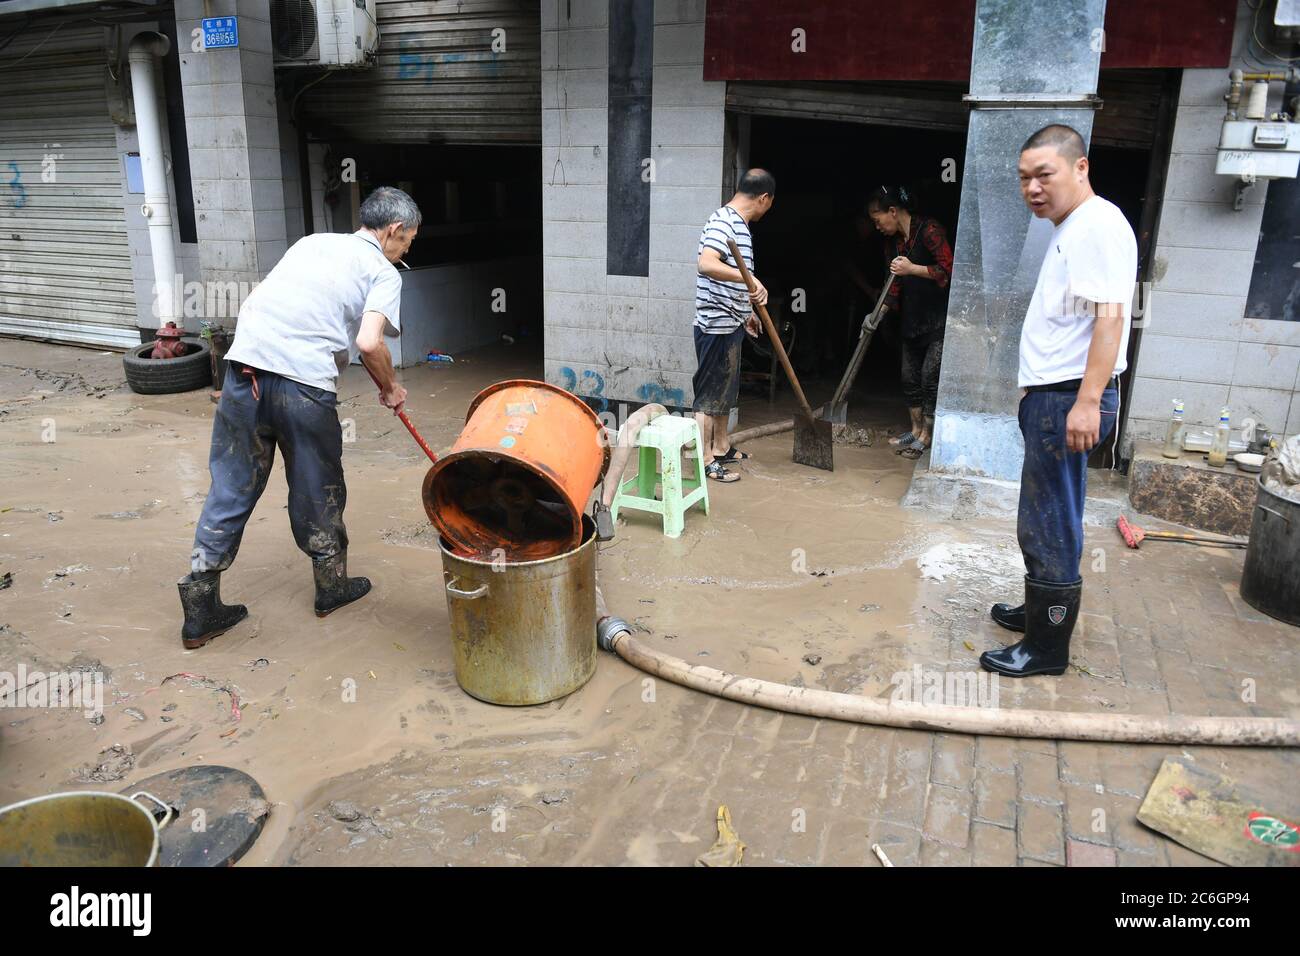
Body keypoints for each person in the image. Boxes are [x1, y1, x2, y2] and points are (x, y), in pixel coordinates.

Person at [177, 186, 419, 649]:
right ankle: (331, 588)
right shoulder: (382, 272)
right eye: (408, 242)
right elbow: (370, 343)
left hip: (242, 374)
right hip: (302, 386)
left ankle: (200, 607)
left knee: (230, 485)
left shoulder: (311, 243)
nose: (406, 251)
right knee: (316, 484)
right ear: (393, 231)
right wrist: (390, 388)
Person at [980, 125, 1136, 678]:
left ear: (1080, 167)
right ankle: (1039, 614)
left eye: (1044, 174)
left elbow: (1111, 319)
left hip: (1070, 398)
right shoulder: (1072, 227)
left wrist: (1088, 400)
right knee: (1047, 513)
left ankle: (1046, 649)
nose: (1032, 188)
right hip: (1056, 396)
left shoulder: (1096, 226)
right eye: (1024, 178)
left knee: (1048, 520)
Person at [692, 168, 774, 482]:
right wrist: (749, 279)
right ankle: (705, 458)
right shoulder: (723, 221)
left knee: (725, 392)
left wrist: (746, 311)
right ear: (764, 198)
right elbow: (707, 263)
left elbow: (729, 274)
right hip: (714, 326)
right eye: (771, 204)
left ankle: (723, 446)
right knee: (709, 396)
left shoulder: (738, 224)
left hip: (732, 321)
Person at [867, 185, 953, 460]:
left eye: (878, 220)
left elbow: (948, 271)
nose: (877, 226)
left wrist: (912, 269)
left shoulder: (929, 231)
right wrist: (876, 315)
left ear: (893, 211)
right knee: (909, 378)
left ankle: (928, 434)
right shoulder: (892, 244)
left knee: (930, 378)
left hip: (937, 320)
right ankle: (915, 430)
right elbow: (892, 286)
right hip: (912, 320)